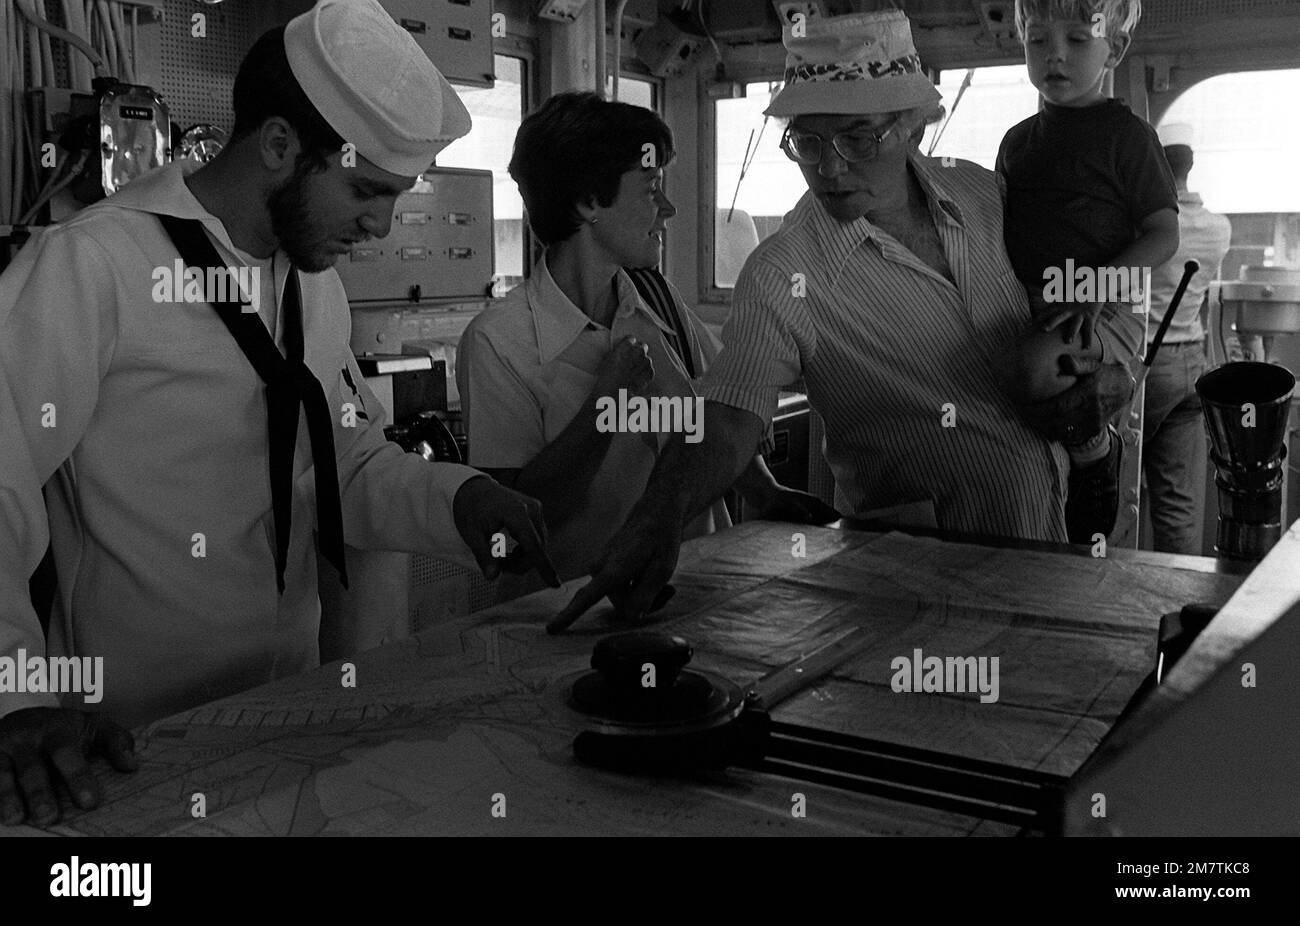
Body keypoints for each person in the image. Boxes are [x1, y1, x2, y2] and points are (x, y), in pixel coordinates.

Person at [0, 0, 557, 826]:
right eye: (368, 190)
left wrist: (461, 499)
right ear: (278, 146)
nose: (382, 224)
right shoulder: (95, 267)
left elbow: (343, 460)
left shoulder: (312, 288)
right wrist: (13, 696)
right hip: (125, 746)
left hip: (283, 717)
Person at [550, 9, 1141, 632]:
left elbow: (1070, 299)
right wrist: (656, 518)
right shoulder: (784, 273)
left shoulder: (984, 195)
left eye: (859, 139)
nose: (829, 168)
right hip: (916, 593)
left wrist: (1107, 372)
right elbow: (726, 417)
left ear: (916, 123)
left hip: (1065, 540)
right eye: (807, 142)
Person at [457, 92, 837, 601]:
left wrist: (764, 493)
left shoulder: (657, 300)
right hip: (574, 616)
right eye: (651, 188)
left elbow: (711, 413)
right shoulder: (498, 343)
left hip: (696, 590)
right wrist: (605, 402)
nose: (669, 209)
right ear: (589, 201)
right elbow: (516, 529)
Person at [996, 0, 1179, 543]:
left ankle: (1095, 453)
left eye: (1077, 41)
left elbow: (1164, 235)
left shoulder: (1129, 137)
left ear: (1114, 49)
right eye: (1037, 41)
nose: (1054, 56)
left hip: (1103, 306)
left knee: (1030, 368)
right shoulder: (1016, 142)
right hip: (1031, 303)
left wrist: (1098, 285)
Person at [1142, 123, 1232, 553]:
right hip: (1192, 363)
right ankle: (1176, 604)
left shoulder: (1148, 230)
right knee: (1177, 500)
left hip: (1144, 364)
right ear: (1190, 167)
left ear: (1157, 167)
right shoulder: (1220, 229)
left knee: (1117, 487)